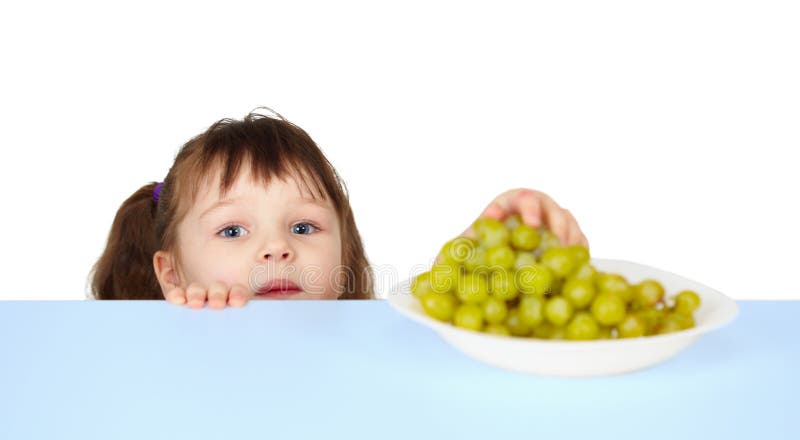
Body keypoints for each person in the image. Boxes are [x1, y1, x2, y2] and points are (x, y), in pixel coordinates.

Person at [89, 110, 588, 309]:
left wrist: (480, 264)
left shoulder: (371, 343)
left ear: (345, 256)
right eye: (233, 231)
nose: (278, 249)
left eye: (304, 226)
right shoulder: (152, 364)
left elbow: (434, 327)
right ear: (171, 275)